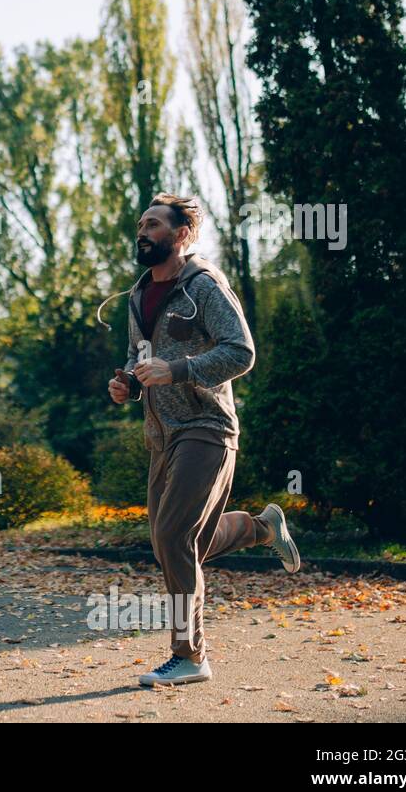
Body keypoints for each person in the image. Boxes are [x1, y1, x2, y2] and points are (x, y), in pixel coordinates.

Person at [104, 192, 301, 687]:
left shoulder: (204, 286)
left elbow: (241, 351)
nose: (142, 232)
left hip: (207, 427)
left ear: (182, 235)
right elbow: (138, 353)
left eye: (153, 224)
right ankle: (260, 529)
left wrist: (179, 370)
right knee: (173, 541)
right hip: (160, 435)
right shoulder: (137, 295)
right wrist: (128, 383)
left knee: (173, 537)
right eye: (140, 224)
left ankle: (190, 655)